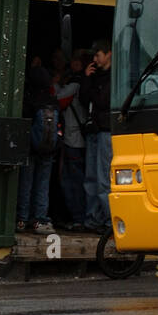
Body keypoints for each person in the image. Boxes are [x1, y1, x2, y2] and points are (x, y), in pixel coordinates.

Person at [16, 65, 57, 234]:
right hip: (48, 149)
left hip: (30, 148)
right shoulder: (52, 101)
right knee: (42, 184)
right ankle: (40, 219)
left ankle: (21, 219)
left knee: (26, 183)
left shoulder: (29, 99)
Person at [55, 49, 91, 231]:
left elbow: (58, 100)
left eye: (78, 60)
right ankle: (79, 217)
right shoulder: (81, 82)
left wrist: (53, 83)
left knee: (72, 181)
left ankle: (79, 218)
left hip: (73, 140)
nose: (74, 63)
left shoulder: (76, 83)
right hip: (76, 138)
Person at [81, 40, 113, 234]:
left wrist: (91, 87)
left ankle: (110, 221)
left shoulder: (114, 76)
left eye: (97, 55)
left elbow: (103, 101)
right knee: (91, 177)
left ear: (108, 54)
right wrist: (86, 79)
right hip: (94, 130)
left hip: (106, 131)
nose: (94, 59)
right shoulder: (94, 76)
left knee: (103, 179)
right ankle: (93, 219)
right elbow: (84, 100)